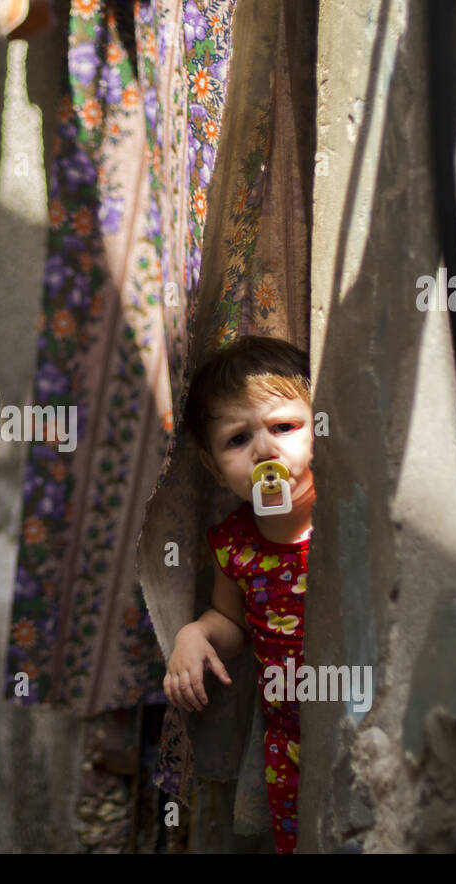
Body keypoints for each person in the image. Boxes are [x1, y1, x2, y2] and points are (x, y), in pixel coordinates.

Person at [162, 336, 315, 853]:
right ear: (212, 466)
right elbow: (232, 624)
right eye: (237, 440)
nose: (267, 451)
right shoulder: (234, 543)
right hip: (290, 745)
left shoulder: (342, 514)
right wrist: (196, 632)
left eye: (285, 427)